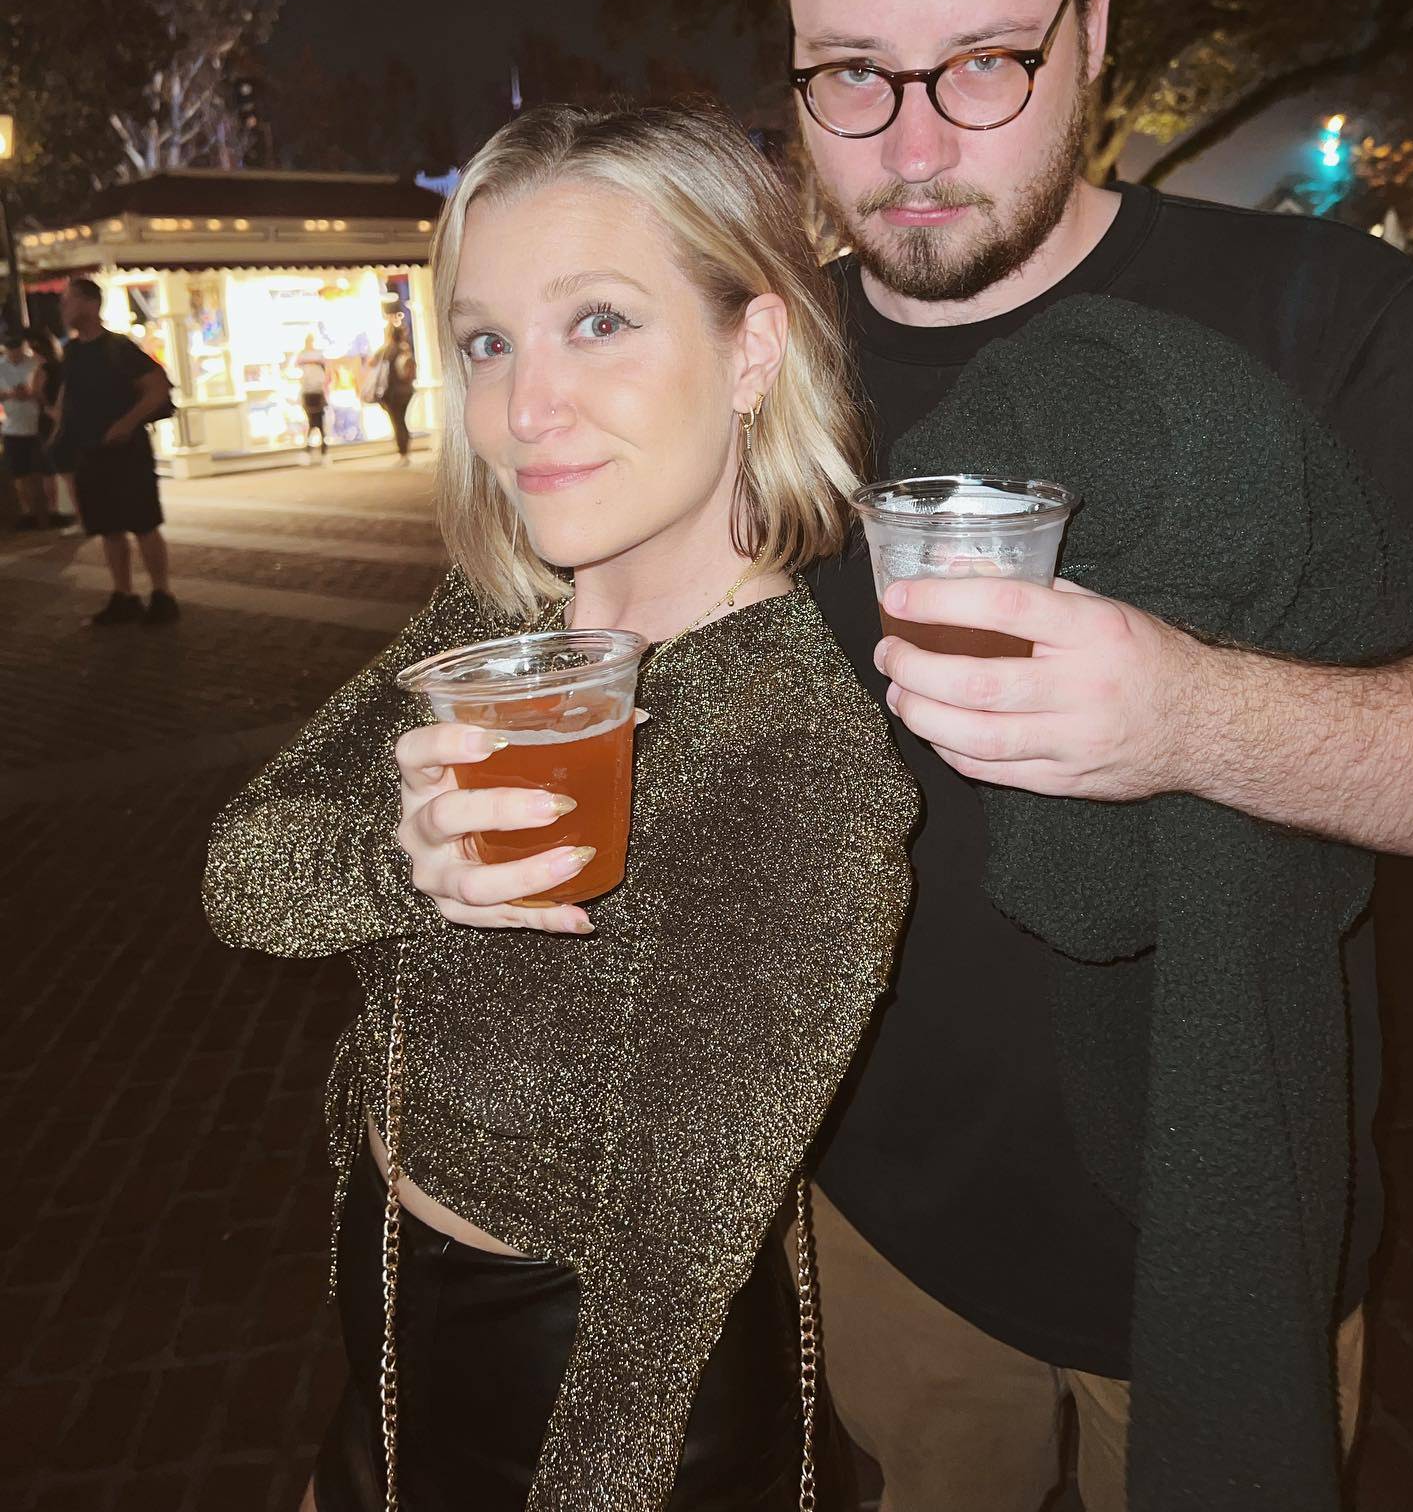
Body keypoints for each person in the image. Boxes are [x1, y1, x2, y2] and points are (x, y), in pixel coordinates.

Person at [755, 0, 1413, 1512]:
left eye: (984, 62)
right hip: (885, 1224)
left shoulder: (1333, 320)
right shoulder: (762, 376)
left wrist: (1199, 718)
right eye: (852, 75)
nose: (913, 147)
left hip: (1234, 1223)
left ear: (1097, 31)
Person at [203, 102, 919, 1512]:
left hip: (590, 1397)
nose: (523, 410)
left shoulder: (801, 759)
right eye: (488, 342)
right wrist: (403, 857)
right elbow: (240, 875)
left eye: (598, 322)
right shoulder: (501, 625)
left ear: (752, 350)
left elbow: (659, 1313)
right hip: (388, 1322)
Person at [52, 279, 179, 626]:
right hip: (91, 453)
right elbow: (69, 399)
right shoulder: (73, 351)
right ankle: (123, 595)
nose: (62, 307)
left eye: (68, 300)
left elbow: (157, 387)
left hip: (127, 452)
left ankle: (162, 594)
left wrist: (126, 423)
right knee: (108, 528)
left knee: (144, 524)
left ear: (90, 303)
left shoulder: (119, 347)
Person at [24, 323, 77, 528]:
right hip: (63, 420)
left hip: (49, 421)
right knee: (66, 471)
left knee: (55, 470)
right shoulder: (62, 366)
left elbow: (37, 394)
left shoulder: (43, 369)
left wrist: (46, 406)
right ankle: (72, 511)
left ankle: (60, 511)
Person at [0, 332, 49, 530]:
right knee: (19, 475)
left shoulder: (34, 363)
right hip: (12, 428)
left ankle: (43, 515)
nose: (15, 355)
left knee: (39, 474)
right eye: (12, 352)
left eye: (18, 350)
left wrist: (32, 394)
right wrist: (11, 394)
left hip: (36, 425)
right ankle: (28, 514)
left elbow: (44, 390)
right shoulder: (1, 367)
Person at [368, 310, 418, 463]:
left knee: (397, 422)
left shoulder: (386, 350)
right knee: (402, 420)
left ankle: (403, 453)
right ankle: (405, 452)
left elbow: (371, 363)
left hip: (392, 393)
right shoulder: (405, 348)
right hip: (407, 391)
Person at [295, 333, 330, 458]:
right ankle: (319, 451)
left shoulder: (311, 355)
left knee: (317, 423)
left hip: (315, 392)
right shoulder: (305, 355)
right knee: (315, 423)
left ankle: (318, 451)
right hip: (311, 392)